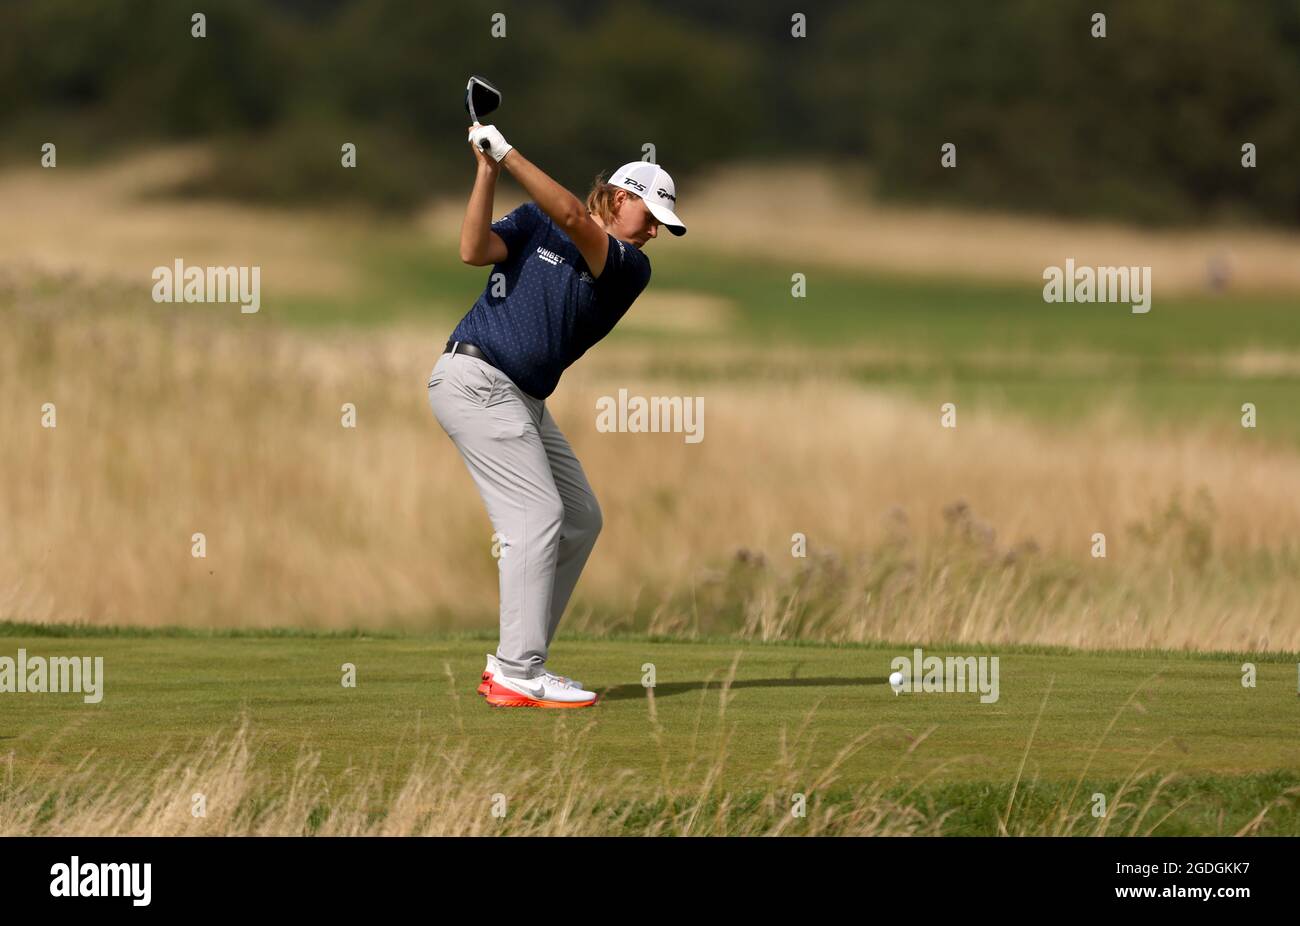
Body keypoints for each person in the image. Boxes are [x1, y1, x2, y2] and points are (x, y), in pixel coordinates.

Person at [426, 122, 686, 708]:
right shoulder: (534, 219)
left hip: (521, 399)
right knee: (538, 516)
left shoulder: (627, 266)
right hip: (476, 379)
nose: (652, 233)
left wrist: (505, 150)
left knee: (580, 517)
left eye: (660, 228)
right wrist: (487, 169)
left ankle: (518, 660)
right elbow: (472, 249)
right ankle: (519, 670)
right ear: (620, 196)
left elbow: (571, 216)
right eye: (648, 216)